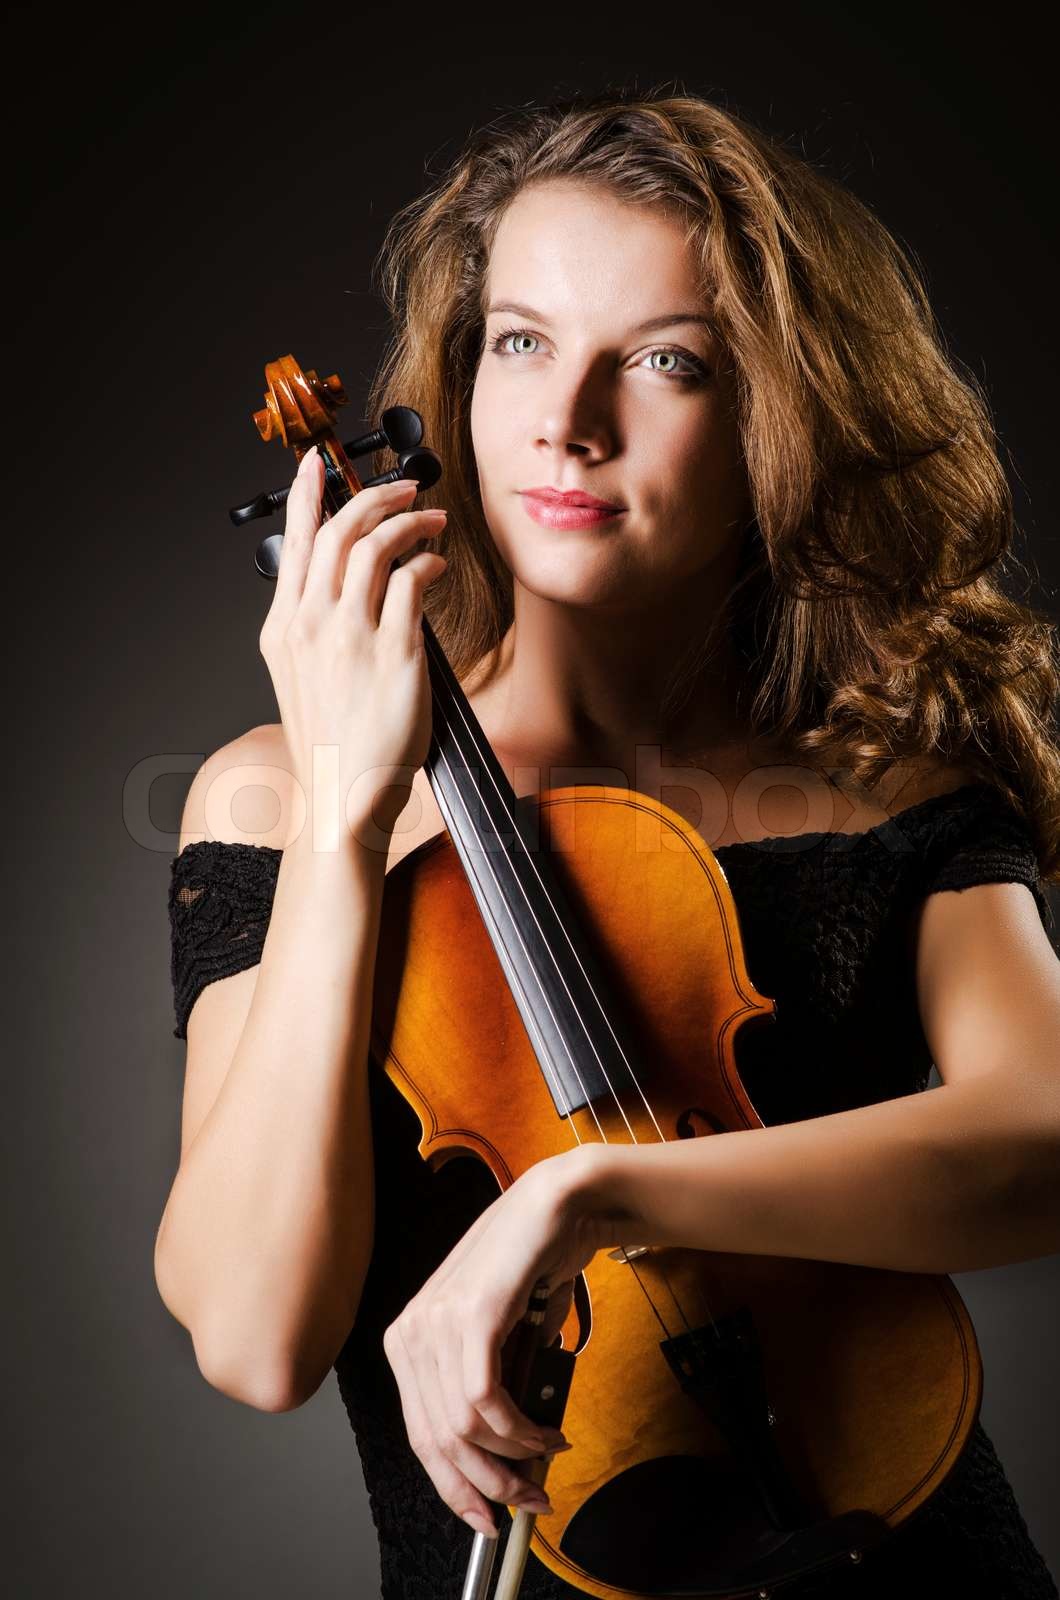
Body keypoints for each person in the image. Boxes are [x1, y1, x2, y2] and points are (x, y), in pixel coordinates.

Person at [157, 87, 1060, 1598]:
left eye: (664, 361)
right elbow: (257, 1337)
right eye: (522, 342)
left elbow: (1044, 1139)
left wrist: (587, 1195)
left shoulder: (885, 786)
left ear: (779, 414)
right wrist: (345, 810)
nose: (567, 424)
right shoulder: (277, 797)